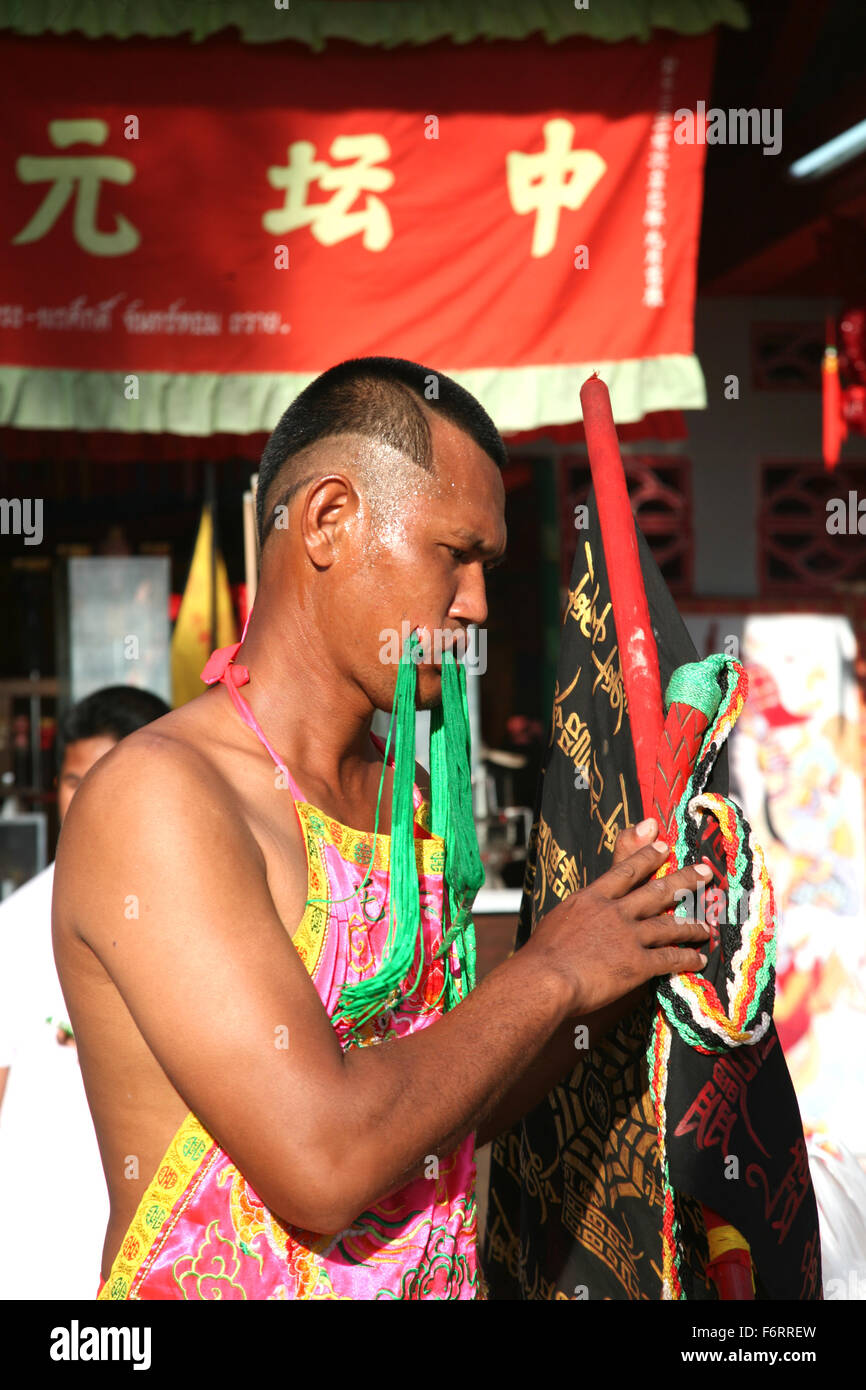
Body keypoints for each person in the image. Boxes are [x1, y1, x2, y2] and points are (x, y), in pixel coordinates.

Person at [53, 356, 713, 1301]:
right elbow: (324, 1161)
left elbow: (452, 1107)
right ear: (328, 521)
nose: (478, 606)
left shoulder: (404, 802)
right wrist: (554, 969)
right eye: (456, 554)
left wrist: (625, 944)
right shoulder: (164, 796)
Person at [0, 685, 169, 1300]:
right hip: (37, 1259)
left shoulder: (209, 920)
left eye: (110, 775)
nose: (90, 798)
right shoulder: (18, 923)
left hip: (167, 1251)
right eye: (75, 781)